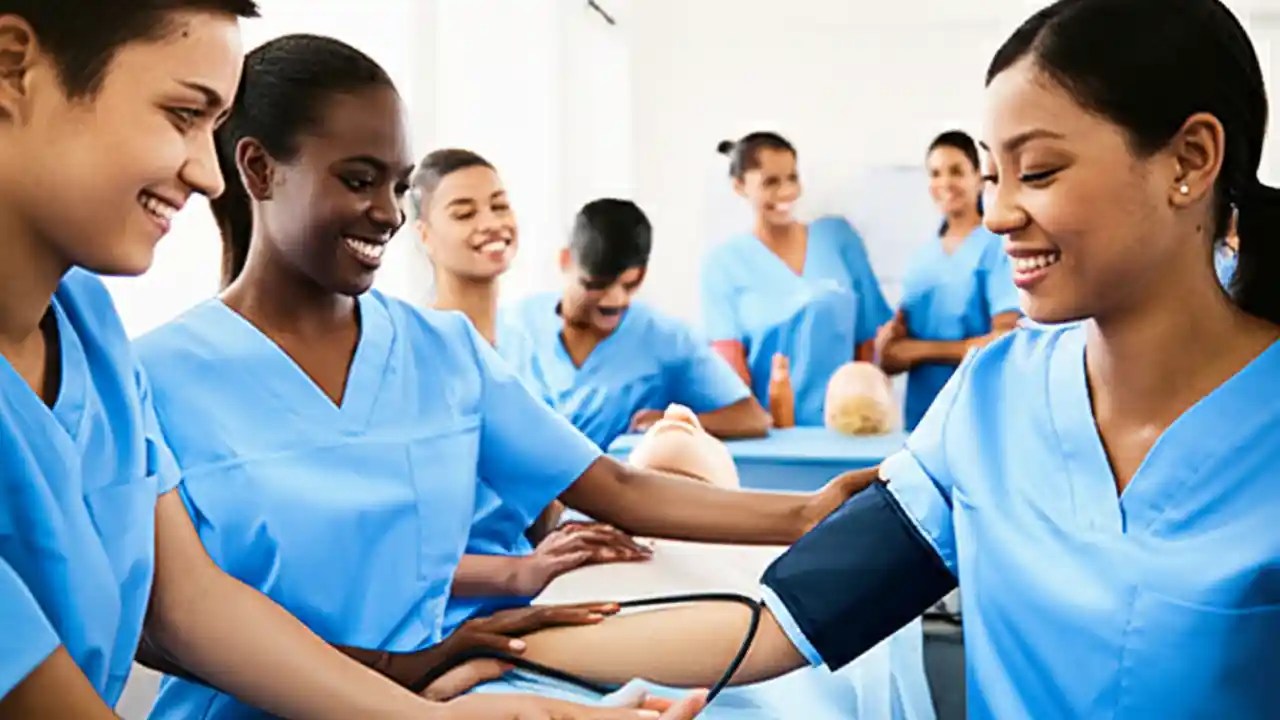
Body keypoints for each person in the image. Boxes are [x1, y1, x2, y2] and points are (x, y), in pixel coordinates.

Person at [504, 1, 1280, 718]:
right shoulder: (994, 399)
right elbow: (783, 621)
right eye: (991, 177)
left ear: (1191, 158)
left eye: (1038, 172)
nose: (1000, 213)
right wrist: (485, 653)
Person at [136, 33, 864, 719]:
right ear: (260, 169)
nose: (387, 214)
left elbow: (615, 489)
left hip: (429, 695)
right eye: (359, 180)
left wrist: (805, 513)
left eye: (398, 185)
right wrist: (394, 672)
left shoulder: (441, 352)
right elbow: (160, 622)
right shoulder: (158, 377)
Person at [0, 4, 656, 719]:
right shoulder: (164, 364)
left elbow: (193, 604)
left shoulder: (90, 333)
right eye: (182, 114)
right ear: (11, 65)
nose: (208, 175)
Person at [412, 148, 650, 636]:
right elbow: (400, 549)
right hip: (454, 607)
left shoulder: (523, 342)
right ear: (424, 236)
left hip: (529, 577)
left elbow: (539, 497)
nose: (490, 222)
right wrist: (515, 571)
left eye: (499, 205)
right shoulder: (417, 350)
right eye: (464, 212)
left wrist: (570, 538)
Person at [508, 198, 770, 450]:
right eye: (595, 285)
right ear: (566, 261)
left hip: (609, 491)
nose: (614, 300)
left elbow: (752, 418)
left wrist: (672, 425)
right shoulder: (516, 325)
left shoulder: (667, 339)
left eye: (629, 285)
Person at [703, 133, 892, 427]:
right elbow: (731, 367)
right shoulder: (724, 264)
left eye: (792, 178)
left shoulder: (838, 238)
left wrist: (866, 413)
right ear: (740, 186)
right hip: (773, 434)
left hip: (851, 428)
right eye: (771, 182)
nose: (787, 191)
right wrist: (759, 425)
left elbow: (868, 341)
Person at [875, 130, 1020, 430]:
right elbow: (892, 358)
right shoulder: (921, 259)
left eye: (956, 171)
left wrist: (920, 350)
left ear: (979, 178)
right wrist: (890, 348)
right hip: (922, 421)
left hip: (980, 414)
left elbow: (1005, 340)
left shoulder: (997, 247)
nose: (945, 183)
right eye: (935, 173)